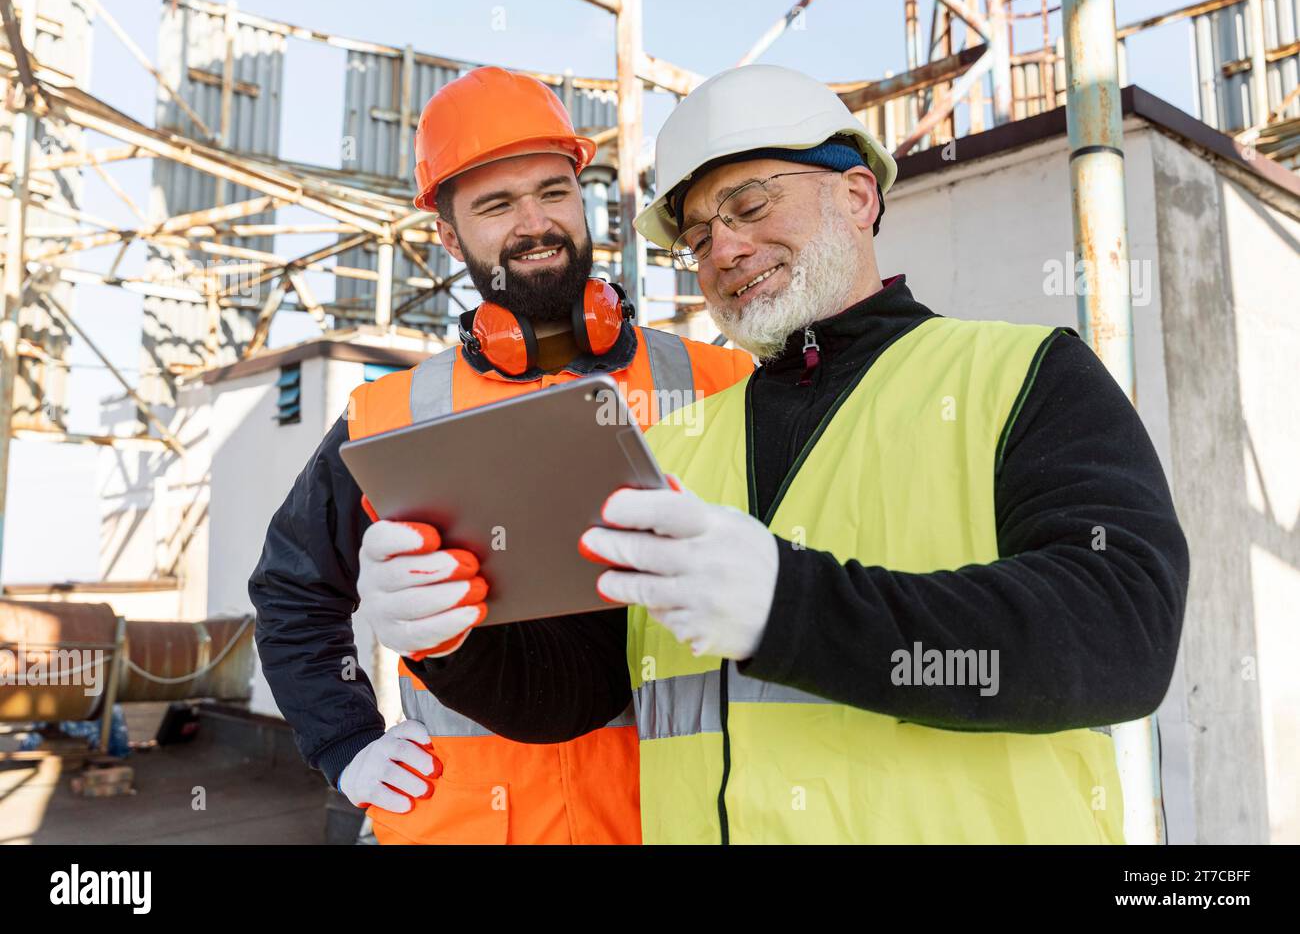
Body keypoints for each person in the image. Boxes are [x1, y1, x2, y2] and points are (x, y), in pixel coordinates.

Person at [360, 64, 1190, 844]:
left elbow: (1122, 631)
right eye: (697, 236)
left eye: (751, 207)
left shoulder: (1024, 374)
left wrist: (789, 608)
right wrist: (450, 634)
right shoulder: (679, 442)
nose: (723, 251)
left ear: (859, 195)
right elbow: (575, 691)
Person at [249, 66, 753, 845]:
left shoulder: (720, 381)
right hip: (471, 827)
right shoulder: (388, 416)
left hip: (672, 820)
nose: (536, 222)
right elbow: (293, 593)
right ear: (448, 235)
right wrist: (343, 741)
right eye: (496, 204)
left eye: (554, 191)